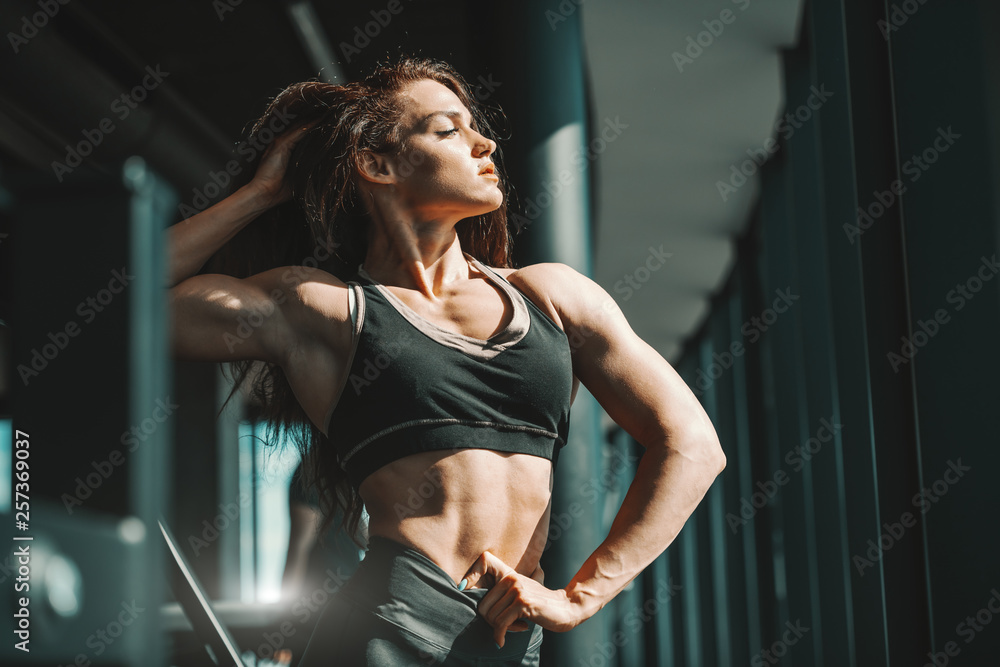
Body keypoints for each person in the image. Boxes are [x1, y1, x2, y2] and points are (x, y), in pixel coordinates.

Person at [167, 55, 726, 666]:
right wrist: (260, 195)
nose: (485, 142)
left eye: (474, 126)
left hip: (507, 641)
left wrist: (580, 598)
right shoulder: (322, 307)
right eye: (448, 129)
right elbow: (133, 303)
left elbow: (692, 444)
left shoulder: (553, 296)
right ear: (378, 164)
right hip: (385, 629)